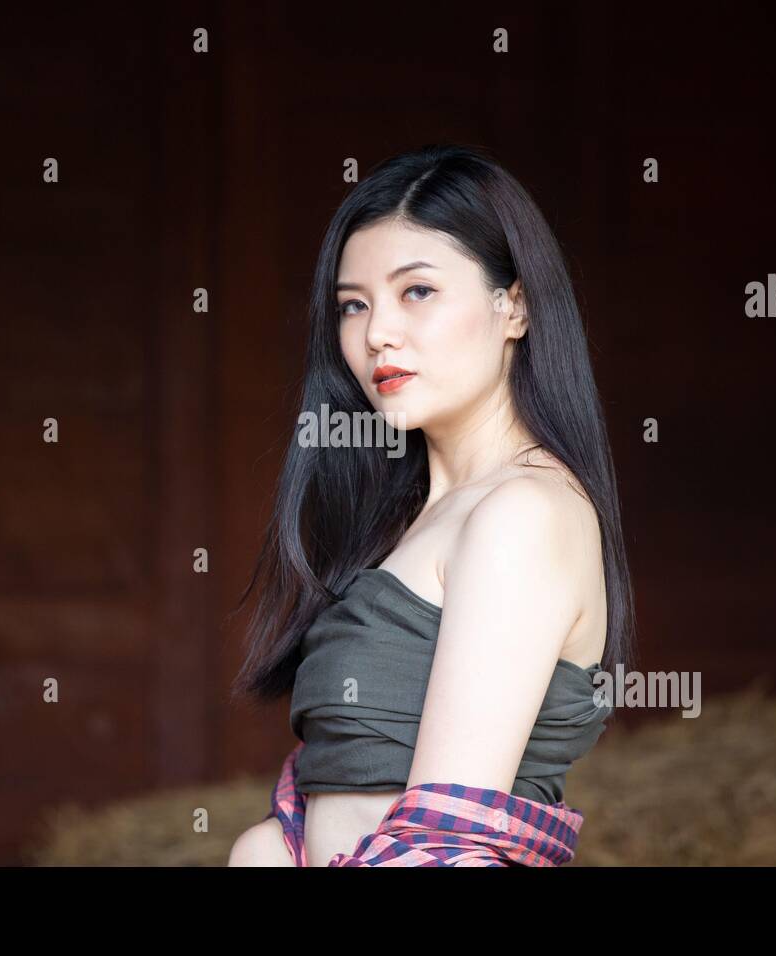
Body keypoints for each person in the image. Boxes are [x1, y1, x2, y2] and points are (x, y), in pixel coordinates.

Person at [227, 143, 636, 866]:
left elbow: (442, 841)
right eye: (354, 305)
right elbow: (338, 783)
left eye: (417, 291)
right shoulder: (407, 522)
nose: (376, 332)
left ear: (514, 306)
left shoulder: (522, 513)